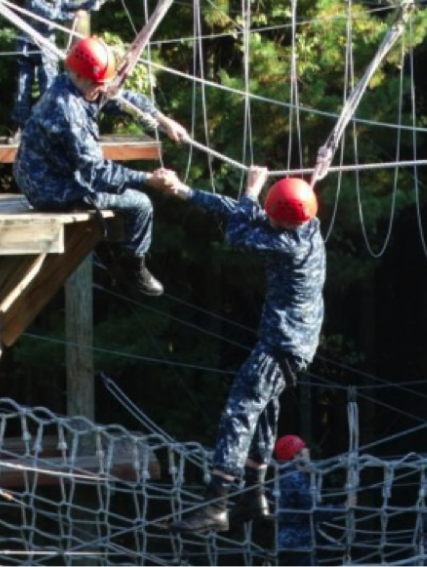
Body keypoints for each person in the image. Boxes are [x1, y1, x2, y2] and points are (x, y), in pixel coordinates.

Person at [155, 166, 327, 533]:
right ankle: (253, 494)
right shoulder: (308, 227)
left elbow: (236, 232)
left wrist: (252, 189)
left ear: (282, 220)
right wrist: (184, 191)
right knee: (262, 412)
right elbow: (240, 212)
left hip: (281, 345)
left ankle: (217, 502)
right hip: (294, 345)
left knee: (240, 410)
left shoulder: (287, 245)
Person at [14, 36, 188, 296]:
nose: (100, 90)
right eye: (97, 85)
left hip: (44, 173)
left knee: (132, 196)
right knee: (141, 204)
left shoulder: (74, 84)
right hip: (48, 189)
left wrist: (163, 120)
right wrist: (148, 179)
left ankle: (128, 259)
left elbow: (121, 99)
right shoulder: (68, 111)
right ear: (79, 75)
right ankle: (133, 268)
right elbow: (96, 173)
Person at [9, 0, 104, 142]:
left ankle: (47, 128)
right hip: (27, 47)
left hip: (46, 49)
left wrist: (92, 2)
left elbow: (73, 5)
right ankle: (18, 127)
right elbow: (50, 14)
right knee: (22, 89)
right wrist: (72, 16)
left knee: (48, 89)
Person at [273, 434, 355, 567]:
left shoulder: (284, 476)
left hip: (288, 540)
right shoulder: (295, 478)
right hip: (298, 542)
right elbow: (313, 511)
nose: (308, 450)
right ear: (296, 455)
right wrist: (343, 507)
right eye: (304, 448)